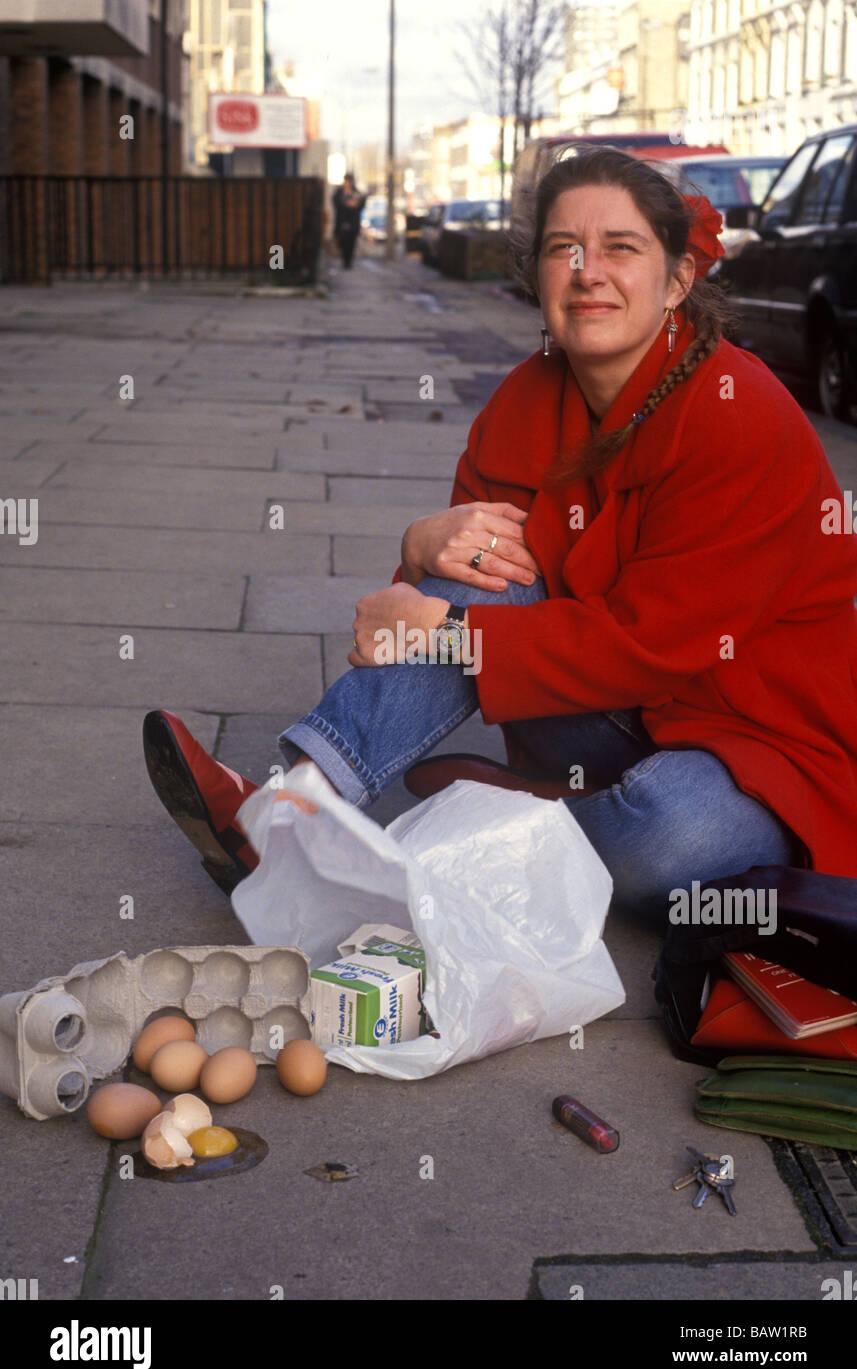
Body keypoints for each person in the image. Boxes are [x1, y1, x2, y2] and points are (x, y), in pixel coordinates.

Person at [144, 145, 857, 917]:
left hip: (756, 741)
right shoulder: (523, 401)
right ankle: (288, 814)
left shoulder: (737, 412)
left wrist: (450, 632)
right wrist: (420, 545)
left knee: (672, 841)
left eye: (621, 248)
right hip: (597, 717)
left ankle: (477, 834)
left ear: (678, 279)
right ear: (537, 274)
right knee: (480, 559)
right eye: (562, 249)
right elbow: (454, 594)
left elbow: (652, 645)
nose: (588, 271)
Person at [331, 173, 366, 268]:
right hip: (342, 221)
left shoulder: (356, 192)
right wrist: (346, 204)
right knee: (343, 242)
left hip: (353, 222)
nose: (347, 183)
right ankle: (345, 261)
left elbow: (362, 202)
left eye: (349, 181)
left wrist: (355, 205)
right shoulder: (339, 192)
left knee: (351, 243)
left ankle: (348, 262)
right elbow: (336, 203)